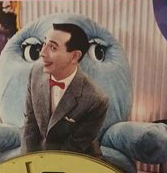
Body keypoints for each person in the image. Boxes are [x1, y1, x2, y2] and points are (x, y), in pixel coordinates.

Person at [21, 23, 108, 157]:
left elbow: (73, 149)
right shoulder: (35, 73)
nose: (42, 53)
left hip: (79, 160)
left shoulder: (97, 100)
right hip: (41, 156)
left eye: (53, 47)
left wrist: (45, 167)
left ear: (74, 56)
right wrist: (27, 164)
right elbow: (30, 125)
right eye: (44, 44)